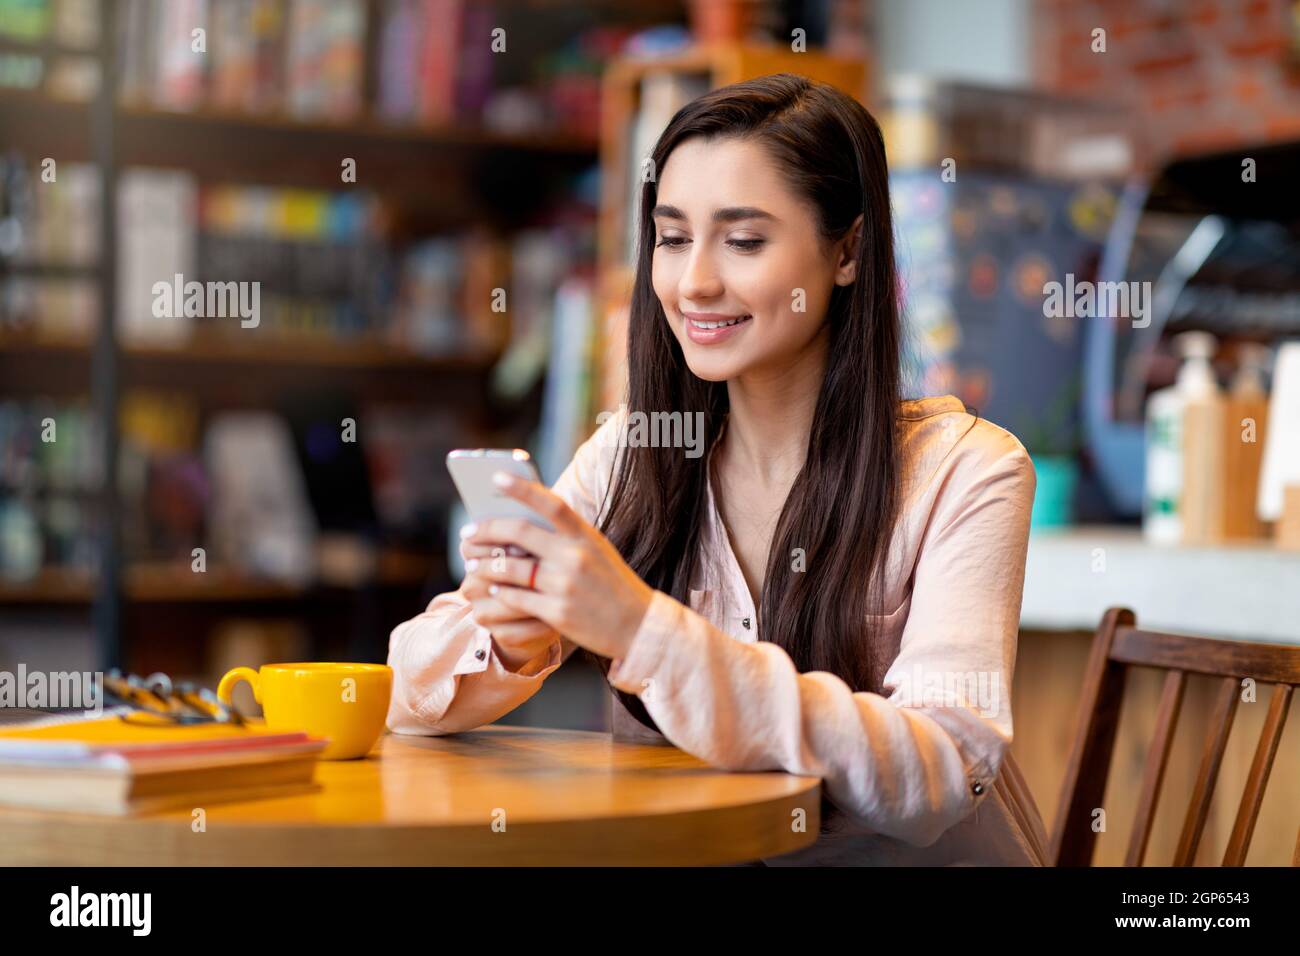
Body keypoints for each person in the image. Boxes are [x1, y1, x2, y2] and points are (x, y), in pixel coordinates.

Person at [386, 73, 1049, 866]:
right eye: (671, 237)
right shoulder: (634, 456)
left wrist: (638, 628)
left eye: (742, 240)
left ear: (849, 250)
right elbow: (409, 691)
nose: (694, 281)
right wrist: (512, 637)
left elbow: (942, 771)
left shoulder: (968, 470)